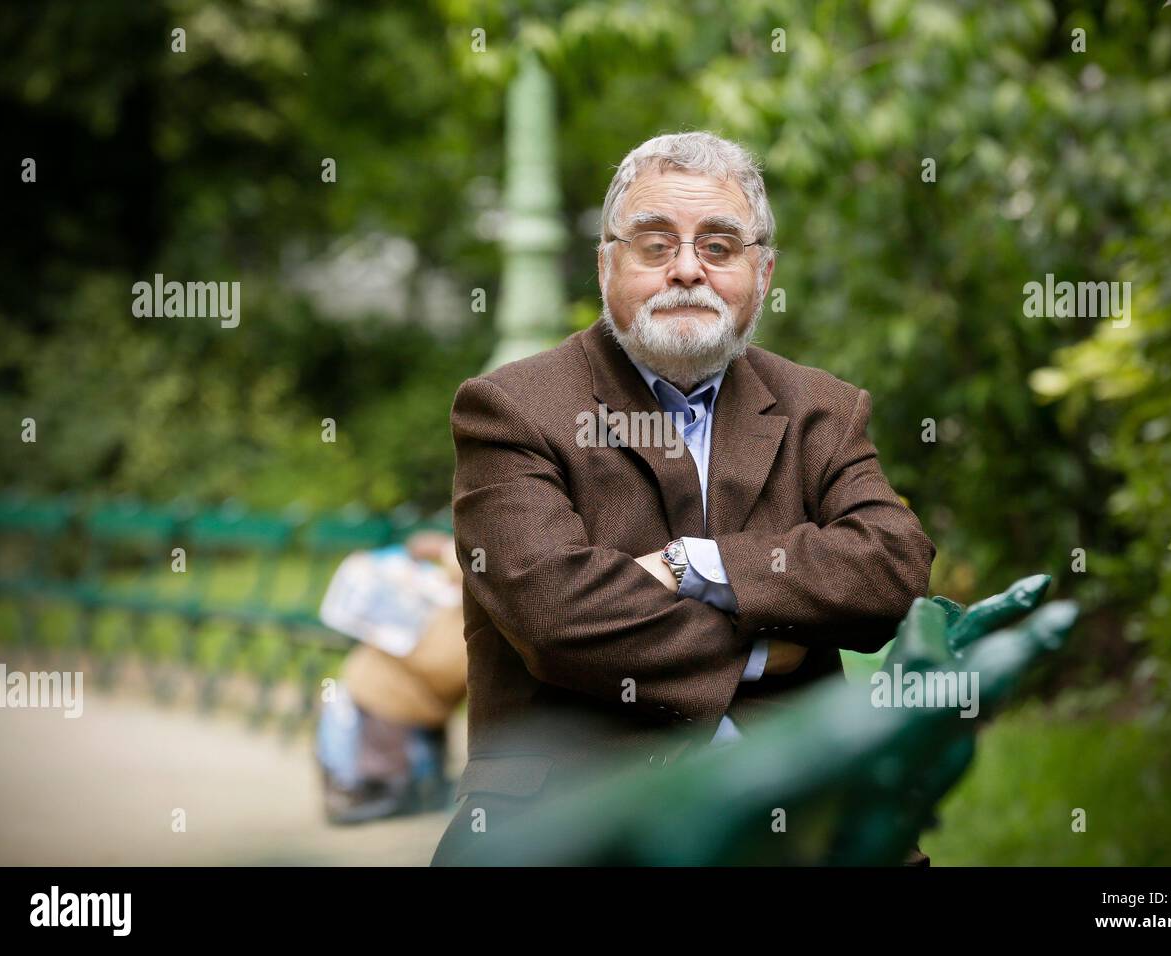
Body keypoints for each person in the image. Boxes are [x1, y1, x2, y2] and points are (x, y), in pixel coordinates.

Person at [431, 131, 935, 866]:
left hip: (792, 807)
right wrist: (773, 643)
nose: (688, 271)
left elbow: (893, 567)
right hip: (576, 815)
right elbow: (555, 617)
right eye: (655, 245)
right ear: (608, 265)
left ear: (762, 273)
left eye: (720, 247)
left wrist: (691, 565)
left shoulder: (821, 409)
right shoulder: (509, 408)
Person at [315, 530, 467, 824]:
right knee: (340, 694)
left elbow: (479, 565)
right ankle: (357, 782)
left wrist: (444, 549)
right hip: (424, 660)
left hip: (429, 667)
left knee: (348, 695)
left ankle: (360, 784)